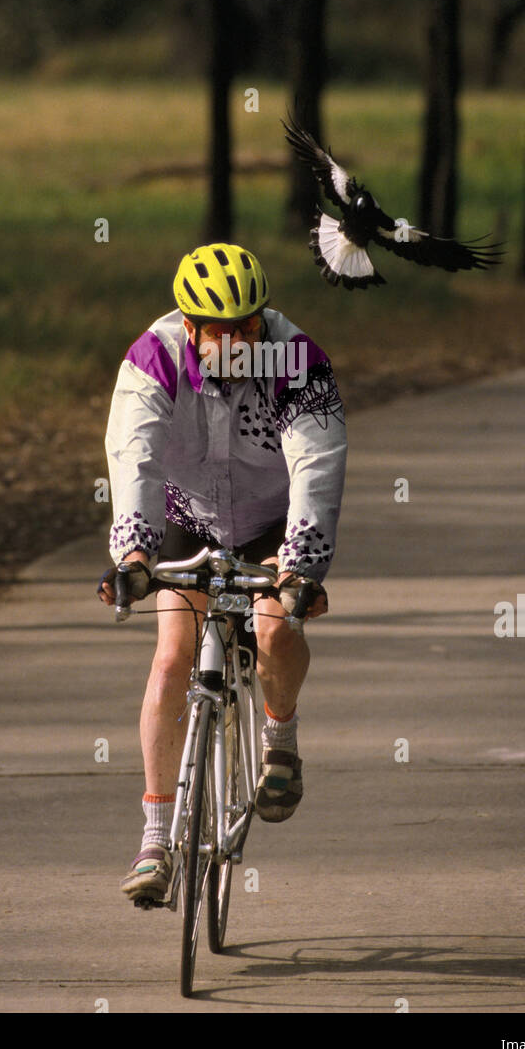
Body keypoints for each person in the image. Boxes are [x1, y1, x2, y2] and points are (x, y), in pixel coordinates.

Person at [98, 243, 347, 903]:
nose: (237, 341)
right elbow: (133, 459)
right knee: (171, 659)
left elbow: (316, 468)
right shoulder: (153, 357)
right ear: (189, 324)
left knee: (274, 629)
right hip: (186, 517)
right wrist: (133, 554)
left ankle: (281, 741)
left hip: (271, 525)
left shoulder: (296, 360)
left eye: (248, 326)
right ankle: (155, 840)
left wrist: (300, 568)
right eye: (218, 330)